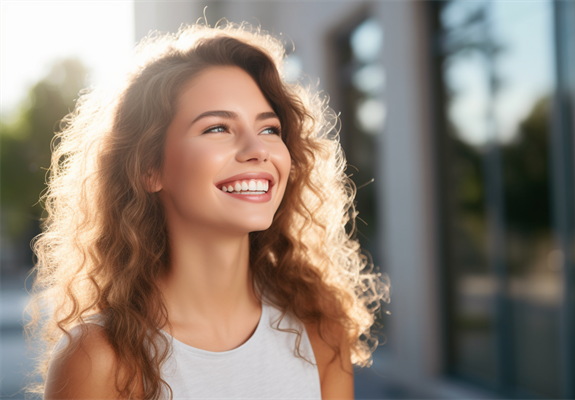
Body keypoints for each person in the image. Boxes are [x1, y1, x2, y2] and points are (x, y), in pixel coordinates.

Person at [26, 21, 390, 400]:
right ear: (149, 168)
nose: (258, 149)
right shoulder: (99, 358)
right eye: (218, 128)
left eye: (269, 130)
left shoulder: (319, 325)